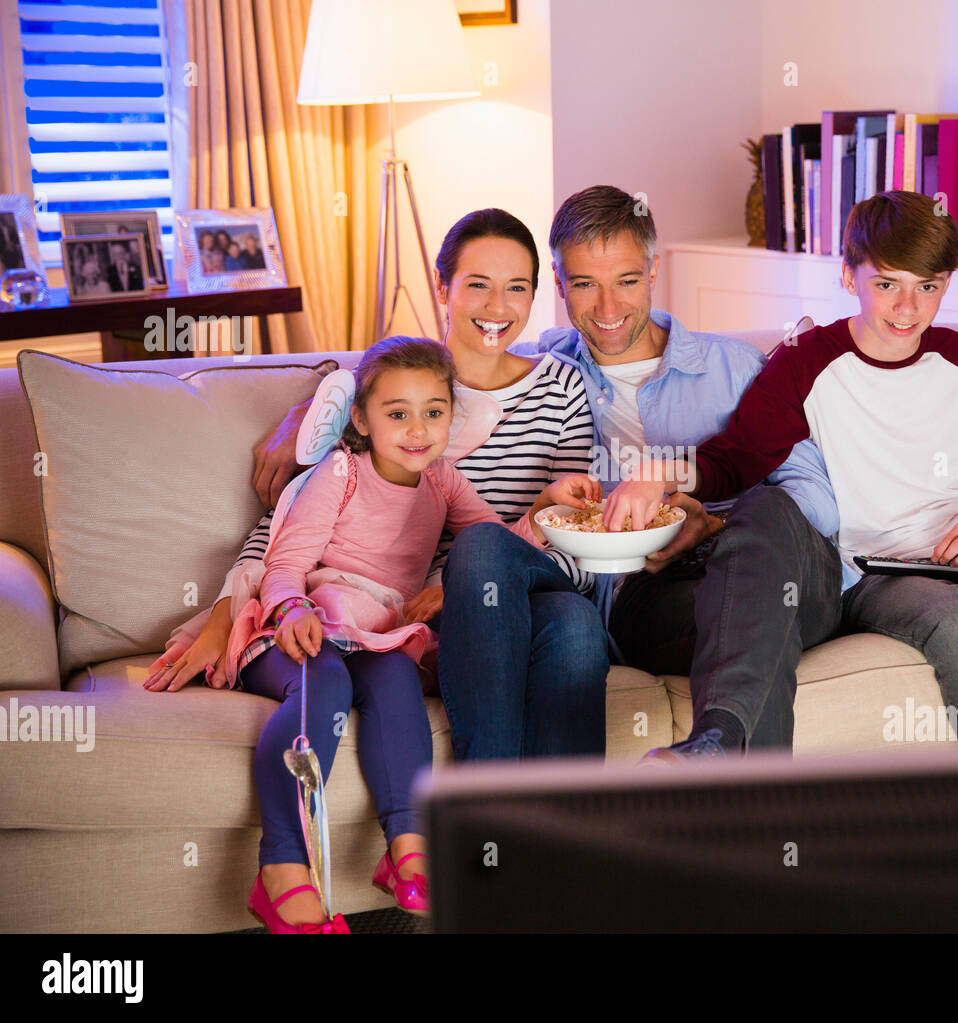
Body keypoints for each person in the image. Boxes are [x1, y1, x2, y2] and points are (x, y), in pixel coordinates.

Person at [606, 190, 958, 758]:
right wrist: (660, 475)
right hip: (870, 571)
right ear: (848, 275)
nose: (907, 308)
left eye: (927, 286)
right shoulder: (805, 362)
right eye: (887, 284)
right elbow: (736, 460)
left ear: (946, 285)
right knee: (956, 622)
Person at [155, 209, 609, 768]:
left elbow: (575, 530)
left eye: (516, 288)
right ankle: (489, 819)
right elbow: (295, 521)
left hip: (524, 580)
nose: (497, 308)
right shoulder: (387, 387)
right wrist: (229, 610)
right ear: (442, 287)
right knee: (545, 603)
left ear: (537, 297)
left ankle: (562, 840)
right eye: (477, 285)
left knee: (566, 614)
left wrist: (473, 577)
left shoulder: (561, 386)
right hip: (418, 611)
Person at [189, 335, 595, 932]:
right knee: (321, 681)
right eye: (397, 413)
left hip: (378, 635)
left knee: (399, 677)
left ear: (451, 418)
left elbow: (494, 546)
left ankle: (407, 850)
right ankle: (280, 867)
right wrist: (293, 607)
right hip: (297, 627)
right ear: (361, 418)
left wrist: (542, 507)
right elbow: (284, 562)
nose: (417, 430)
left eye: (433, 413)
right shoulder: (341, 473)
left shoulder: (444, 482)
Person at [510, 184, 837, 750]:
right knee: (749, 626)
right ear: (559, 285)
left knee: (765, 509)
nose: (608, 311)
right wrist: (335, 394)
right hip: (653, 594)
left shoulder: (734, 367)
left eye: (627, 282)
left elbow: (818, 502)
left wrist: (713, 526)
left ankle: (715, 752)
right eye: (585, 284)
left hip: (782, 569)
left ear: (655, 270)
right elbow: (433, 377)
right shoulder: (543, 378)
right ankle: (725, 758)